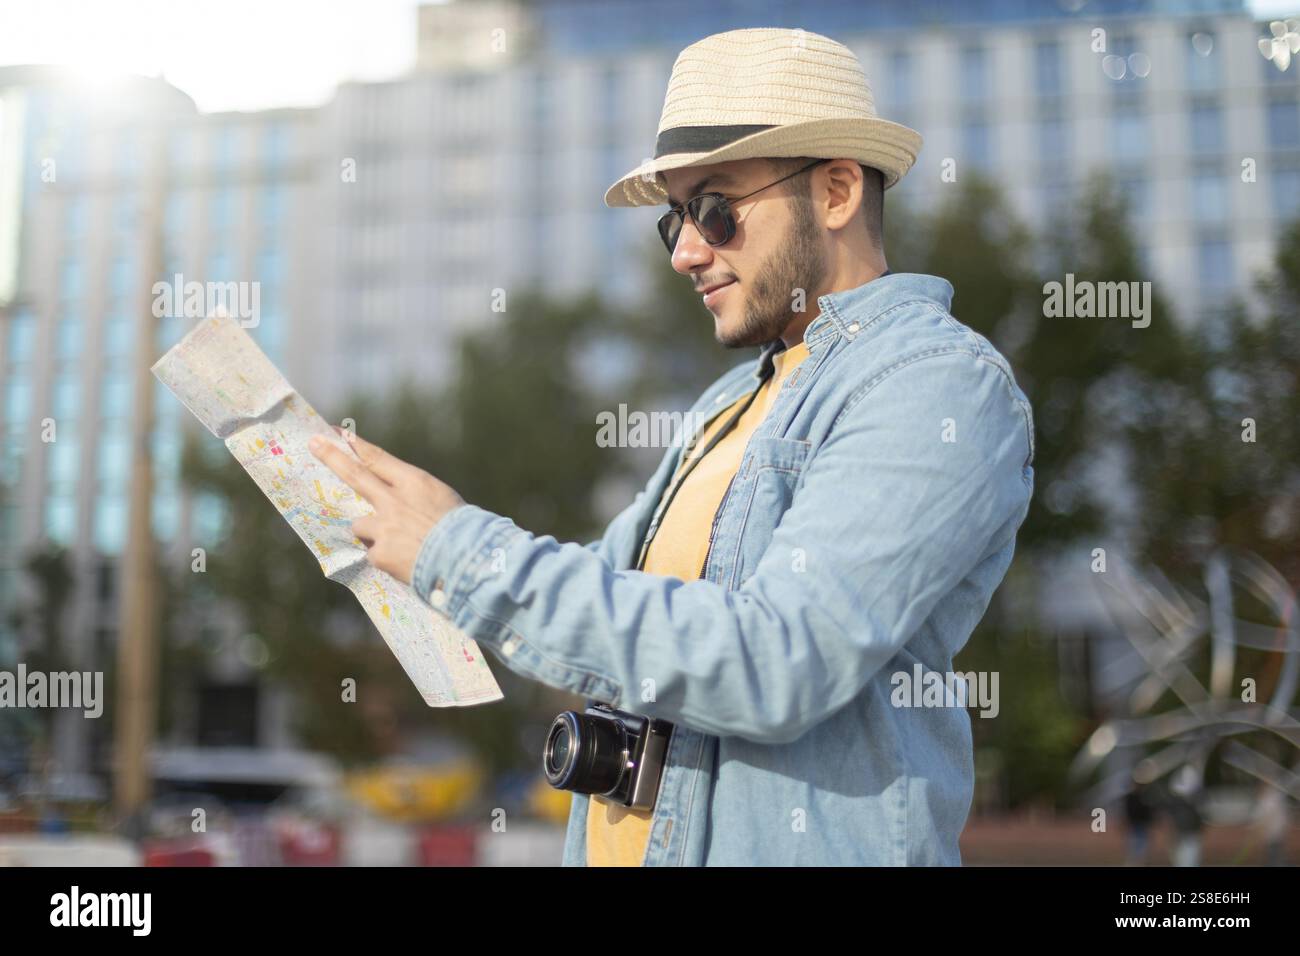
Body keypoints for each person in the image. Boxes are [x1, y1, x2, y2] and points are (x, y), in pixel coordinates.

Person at [310, 27, 1035, 866]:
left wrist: (460, 550)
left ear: (836, 191)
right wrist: (387, 539)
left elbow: (780, 659)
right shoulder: (730, 404)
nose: (689, 251)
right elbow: (599, 624)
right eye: (677, 221)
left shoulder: (936, 383)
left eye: (718, 209)